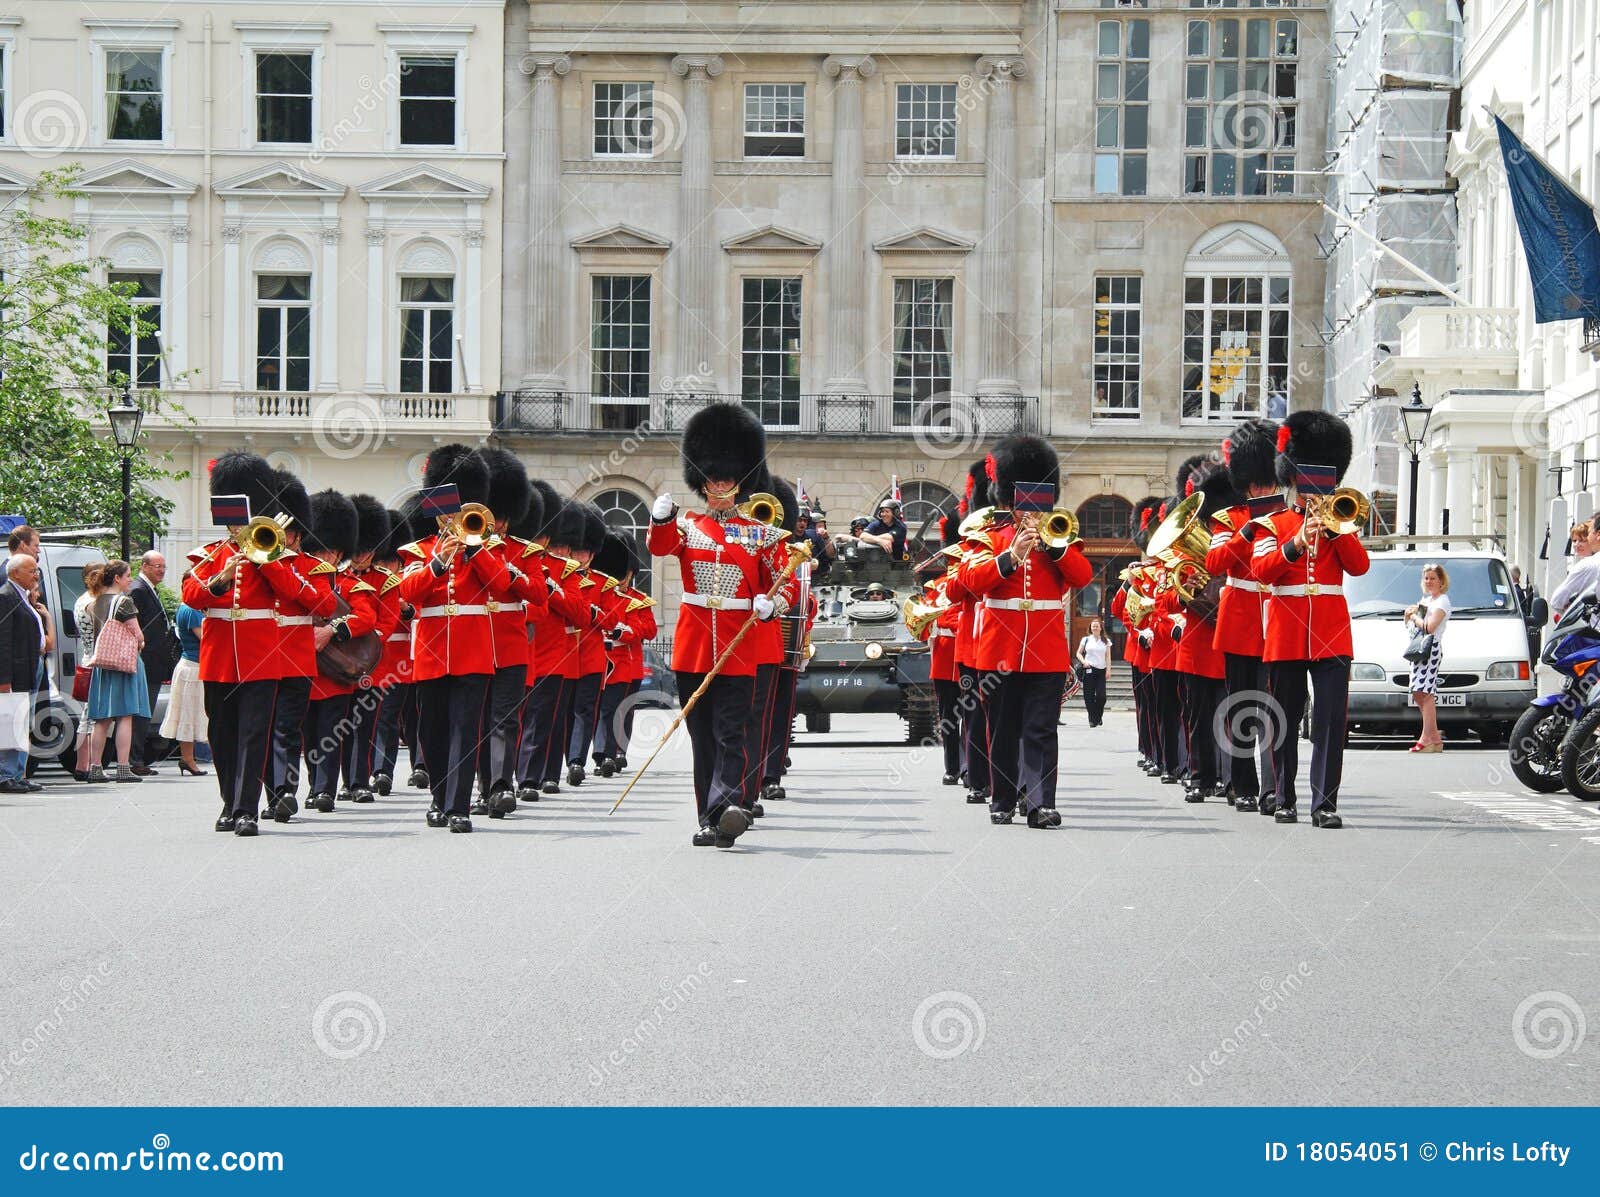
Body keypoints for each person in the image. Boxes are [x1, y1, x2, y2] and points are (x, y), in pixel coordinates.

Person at [648, 404, 795, 849]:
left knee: (731, 732)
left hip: (739, 645)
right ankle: (708, 817)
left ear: (739, 479)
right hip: (695, 644)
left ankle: (729, 802)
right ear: (703, 479)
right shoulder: (688, 528)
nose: (719, 485)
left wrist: (773, 605)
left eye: (727, 478)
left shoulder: (763, 535)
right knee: (703, 739)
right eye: (712, 478)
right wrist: (659, 518)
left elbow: (786, 584)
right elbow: (661, 546)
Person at [184, 451, 339, 836]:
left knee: (255, 736)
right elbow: (191, 594)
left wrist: (266, 561)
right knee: (221, 735)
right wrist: (224, 575)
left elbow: (322, 603)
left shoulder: (279, 559)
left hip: (262, 658)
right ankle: (228, 803)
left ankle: (246, 810)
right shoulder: (210, 556)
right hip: (220, 657)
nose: (238, 530)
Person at [954, 436, 1093, 829]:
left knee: (1041, 730)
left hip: (1046, 650)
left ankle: (1040, 802)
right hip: (1000, 648)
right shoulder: (989, 535)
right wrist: (1011, 556)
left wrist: (1054, 546)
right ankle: (1002, 798)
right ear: (1010, 495)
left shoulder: (1058, 535)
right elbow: (971, 579)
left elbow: (1082, 575)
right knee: (1003, 729)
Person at [1253, 411, 1370, 829]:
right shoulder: (1273, 523)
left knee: (1330, 721)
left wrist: (1338, 530)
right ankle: (1284, 797)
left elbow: (1359, 568)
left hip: (1331, 633)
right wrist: (1297, 542)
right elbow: (1262, 570)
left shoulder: (1342, 522)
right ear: (1295, 480)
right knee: (1283, 717)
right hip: (1285, 632)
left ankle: (1325, 803)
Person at [398, 445, 511, 832]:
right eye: (447, 510)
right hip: (432, 653)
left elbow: (501, 584)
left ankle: (458, 806)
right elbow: (408, 592)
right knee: (433, 731)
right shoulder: (419, 550)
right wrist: (438, 563)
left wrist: (474, 551)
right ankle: (438, 799)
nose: (453, 518)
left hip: (474, 653)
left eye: (459, 509)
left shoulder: (487, 548)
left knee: (466, 730)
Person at [1207, 418, 1282, 813]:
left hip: (1278, 623)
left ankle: (1272, 788)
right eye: (1257, 483)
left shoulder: (1290, 517)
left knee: (1273, 708)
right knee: (1240, 707)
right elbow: (1216, 559)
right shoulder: (1229, 519)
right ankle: (1243, 784)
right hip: (1239, 623)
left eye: (1268, 482)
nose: (1263, 489)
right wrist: (1249, 530)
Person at [471, 449, 543, 817]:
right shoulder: (463, 548)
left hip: (511, 647)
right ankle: (481, 787)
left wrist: (510, 574)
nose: (494, 522)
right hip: (474, 646)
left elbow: (539, 593)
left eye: (499, 516)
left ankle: (500, 787)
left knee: (503, 719)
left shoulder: (524, 552)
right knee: (477, 721)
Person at [83, 560, 151, 783]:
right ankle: (123, 767)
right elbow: (138, 635)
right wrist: (140, 643)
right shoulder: (125, 602)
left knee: (101, 719)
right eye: (128, 575)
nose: (130, 579)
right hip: (123, 663)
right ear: (117, 578)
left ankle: (95, 767)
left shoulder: (96, 601)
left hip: (103, 664)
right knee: (125, 716)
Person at [128, 550, 178, 775]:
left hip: (154, 662)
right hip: (146, 661)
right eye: (157, 566)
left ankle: (137, 758)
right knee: (141, 712)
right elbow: (135, 625)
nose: (162, 570)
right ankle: (135, 759)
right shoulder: (138, 589)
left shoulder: (148, 589)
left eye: (163, 566)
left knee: (144, 712)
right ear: (145, 566)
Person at [0, 553, 45, 793]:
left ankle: (17, 773)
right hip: (15, 673)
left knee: (22, 723)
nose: (36, 575)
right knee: (11, 722)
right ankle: (5, 775)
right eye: (31, 571)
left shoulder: (23, 596)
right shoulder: (5, 596)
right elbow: (3, 641)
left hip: (30, 666)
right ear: (15, 572)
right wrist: (3, 679)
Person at [159, 587, 208, 776]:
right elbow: (205, 638)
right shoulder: (192, 610)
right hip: (193, 667)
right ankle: (188, 759)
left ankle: (188, 759)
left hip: (189, 665)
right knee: (192, 714)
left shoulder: (185, 608)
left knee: (190, 714)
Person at [1405, 563, 1452, 754]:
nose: (1429, 581)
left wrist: (1414, 616)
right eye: (1426, 578)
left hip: (1430, 649)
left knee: (1426, 692)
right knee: (1418, 692)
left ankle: (1426, 738)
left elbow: (1429, 627)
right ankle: (1434, 738)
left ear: (1441, 581)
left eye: (1433, 578)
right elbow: (1413, 627)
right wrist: (1408, 617)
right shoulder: (1427, 601)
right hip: (1419, 649)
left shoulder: (1442, 601)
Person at [71, 563, 107, 781]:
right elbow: (103, 632)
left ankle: (82, 764)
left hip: (86, 656)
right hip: (97, 659)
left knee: (86, 714)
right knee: (94, 716)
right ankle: (90, 764)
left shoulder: (80, 600)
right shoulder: (95, 603)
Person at [1550, 522, 1600, 619]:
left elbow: (1557, 601)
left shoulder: (1585, 565)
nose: (1577, 544)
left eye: (1582, 540)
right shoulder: (1579, 564)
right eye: (1574, 540)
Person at [1076, 617, 1111, 727]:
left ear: (1101, 628)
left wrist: (1108, 670)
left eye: (1097, 626)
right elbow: (1078, 653)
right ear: (1090, 628)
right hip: (1089, 669)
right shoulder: (1085, 639)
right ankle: (1092, 719)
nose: (1095, 627)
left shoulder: (1106, 641)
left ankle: (1098, 715)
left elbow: (1108, 657)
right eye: (1093, 626)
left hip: (1101, 670)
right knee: (1088, 696)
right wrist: (1083, 661)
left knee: (1102, 696)